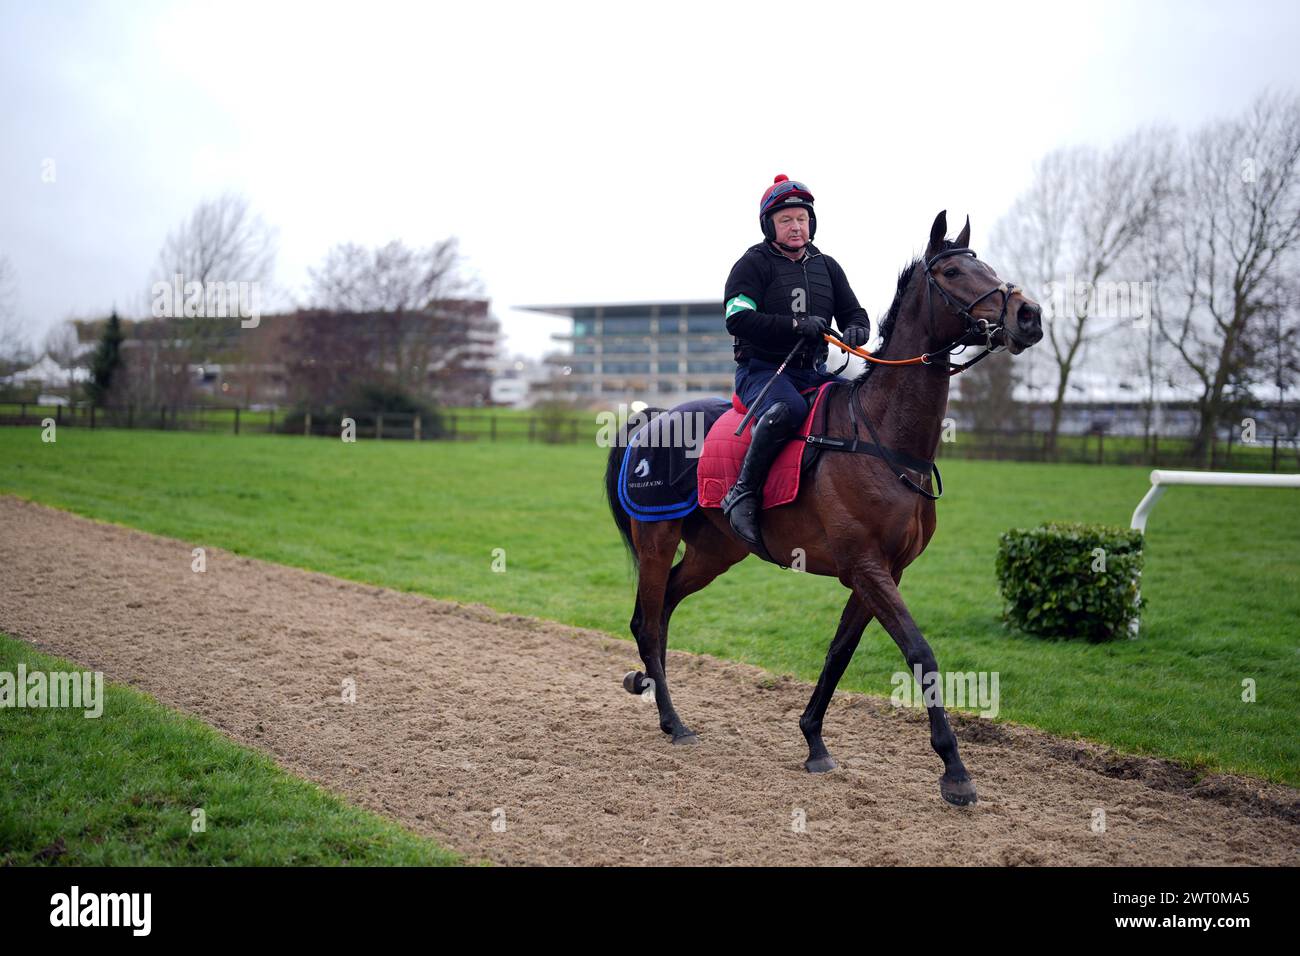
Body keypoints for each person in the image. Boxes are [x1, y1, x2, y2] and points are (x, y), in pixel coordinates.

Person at [720, 174, 871, 549]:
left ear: (811, 222)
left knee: (854, 406)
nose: (795, 226)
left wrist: (856, 330)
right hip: (762, 372)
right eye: (786, 219)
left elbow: (856, 313)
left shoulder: (828, 266)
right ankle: (742, 494)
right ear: (770, 224)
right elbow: (736, 318)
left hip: (813, 372)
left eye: (801, 218)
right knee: (786, 409)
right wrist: (794, 324)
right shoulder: (752, 264)